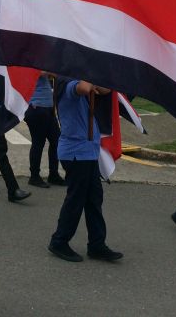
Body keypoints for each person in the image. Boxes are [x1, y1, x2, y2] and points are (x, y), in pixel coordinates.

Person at [47, 79, 122, 263]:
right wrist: (88, 66)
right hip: (75, 153)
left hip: (88, 152)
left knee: (94, 199)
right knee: (76, 200)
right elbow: (85, 87)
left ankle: (97, 244)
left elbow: (104, 89)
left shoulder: (78, 79)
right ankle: (59, 241)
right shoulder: (66, 82)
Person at [24, 73, 65, 187]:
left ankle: (53, 174)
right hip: (36, 106)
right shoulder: (31, 60)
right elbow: (43, 71)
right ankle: (34, 176)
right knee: (38, 142)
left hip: (47, 107)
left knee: (56, 140)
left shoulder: (41, 59)